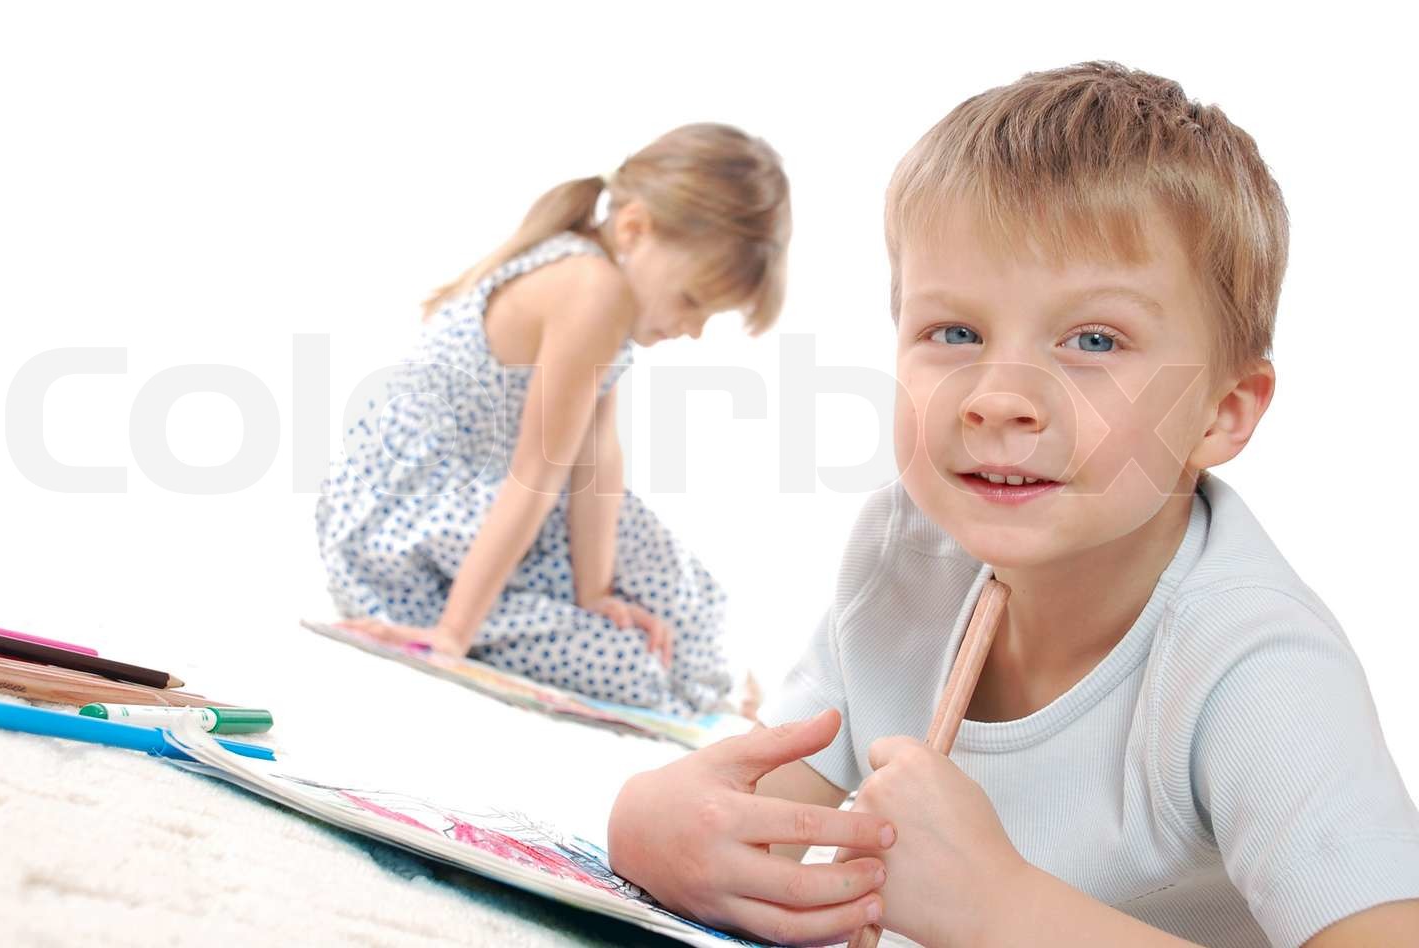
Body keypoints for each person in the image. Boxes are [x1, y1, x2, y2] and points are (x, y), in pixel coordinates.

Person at [607, 64, 1419, 945]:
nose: (999, 398)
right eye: (954, 332)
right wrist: (653, 825)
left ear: (1223, 414)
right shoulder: (905, 555)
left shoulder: (1256, 667)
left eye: (1094, 340)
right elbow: (753, 806)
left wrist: (1005, 909)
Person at [316, 123, 789, 716]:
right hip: (406, 523)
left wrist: (598, 592)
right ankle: (711, 694)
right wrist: (451, 640)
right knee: (647, 655)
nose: (693, 328)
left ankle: (709, 685)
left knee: (665, 588)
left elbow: (596, 459)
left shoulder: (601, 286)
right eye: (693, 300)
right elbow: (538, 471)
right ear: (634, 229)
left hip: (456, 505)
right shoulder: (593, 289)